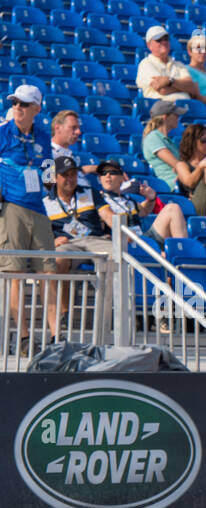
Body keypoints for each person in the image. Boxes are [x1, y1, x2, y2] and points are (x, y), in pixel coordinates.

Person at [0, 85, 56, 345]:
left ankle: (57, 336)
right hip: (11, 207)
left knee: (49, 273)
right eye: (15, 103)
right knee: (16, 274)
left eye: (23, 104)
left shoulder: (43, 137)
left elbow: (49, 172)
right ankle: (23, 338)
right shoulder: (3, 132)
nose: (17, 108)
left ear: (37, 108)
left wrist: (48, 184)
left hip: (39, 208)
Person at [43, 156, 111, 326]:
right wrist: (52, 240)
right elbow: (40, 230)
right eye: (65, 175)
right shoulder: (45, 202)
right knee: (58, 259)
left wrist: (122, 231)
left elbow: (108, 215)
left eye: (73, 174)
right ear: (55, 178)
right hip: (68, 244)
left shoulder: (89, 192)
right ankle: (64, 314)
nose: (70, 179)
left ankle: (111, 314)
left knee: (119, 256)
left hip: (95, 239)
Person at [95, 159, 187, 244]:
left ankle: (184, 253)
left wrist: (151, 199)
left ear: (122, 177)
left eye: (112, 172)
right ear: (99, 178)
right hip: (123, 244)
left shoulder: (127, 199)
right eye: (103, 173)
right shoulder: (99, 200)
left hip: (142, 239)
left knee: (173, 208)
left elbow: (144, 211)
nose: (107, 175)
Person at [136, 26, 198, 102]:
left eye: (166, 39)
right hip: (163, 107)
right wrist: (184, 88)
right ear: (149, 45)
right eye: (159, 40)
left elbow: (191, 86)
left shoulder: (179, 65)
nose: (164, 42)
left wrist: (169, 81)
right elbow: (163, 90)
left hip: (186, 107)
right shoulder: (146, 64)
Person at [47, 111, 94, 186]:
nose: (78, 132)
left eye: (78, 128)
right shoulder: (47, 154)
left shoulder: (71, 155)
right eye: (73, 127)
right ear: (57, 128)